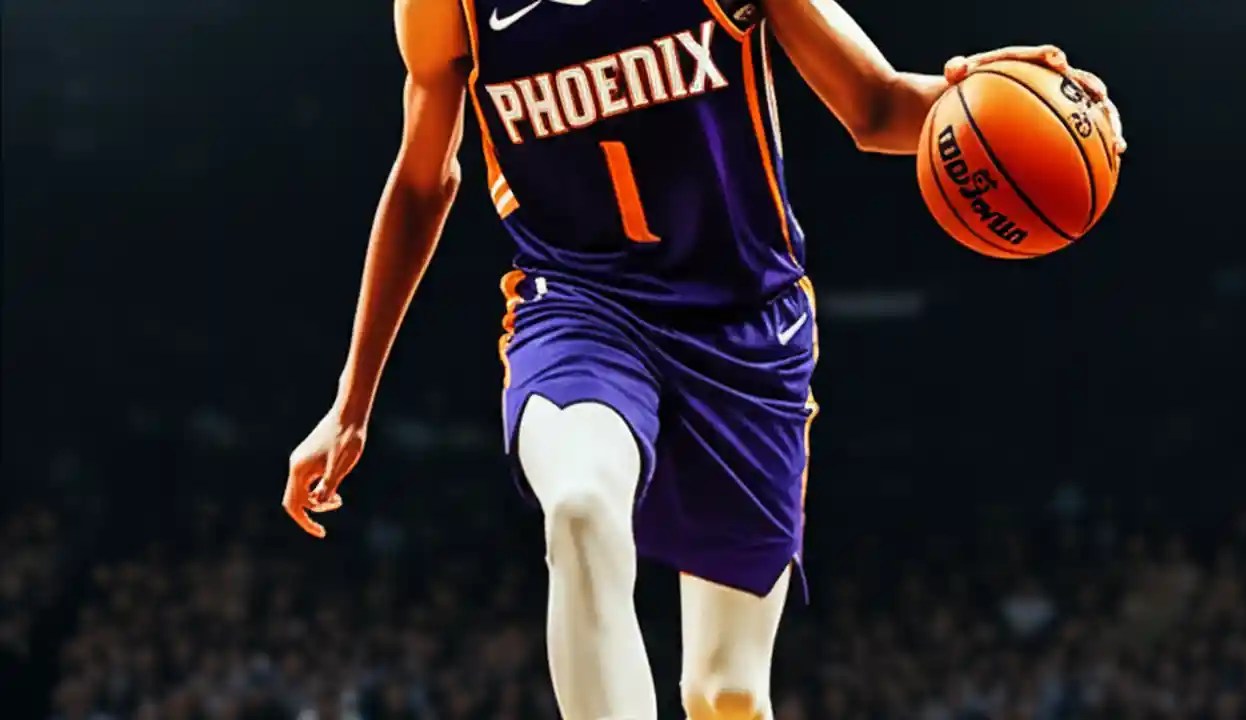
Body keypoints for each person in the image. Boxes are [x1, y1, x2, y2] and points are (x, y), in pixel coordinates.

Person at [282, 0, 1126, 717]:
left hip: (745, 326)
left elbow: (872, 107)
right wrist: (350, 404)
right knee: (578, 505)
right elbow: (424, 180)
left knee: (726, 695)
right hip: (582, 306)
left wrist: (989, 101)